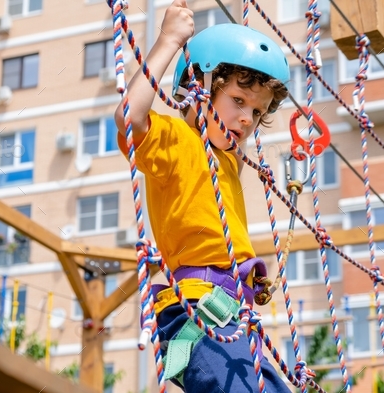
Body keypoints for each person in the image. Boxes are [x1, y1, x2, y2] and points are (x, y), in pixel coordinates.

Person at [114, 0, 292, 392]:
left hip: (234, 312)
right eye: (238, 101)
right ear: (198, 90)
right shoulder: (177, 142)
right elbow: (130, 120)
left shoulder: (227, 161)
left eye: (257, 112)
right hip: (196, 308)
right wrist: (168, 41)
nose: (247, 118)